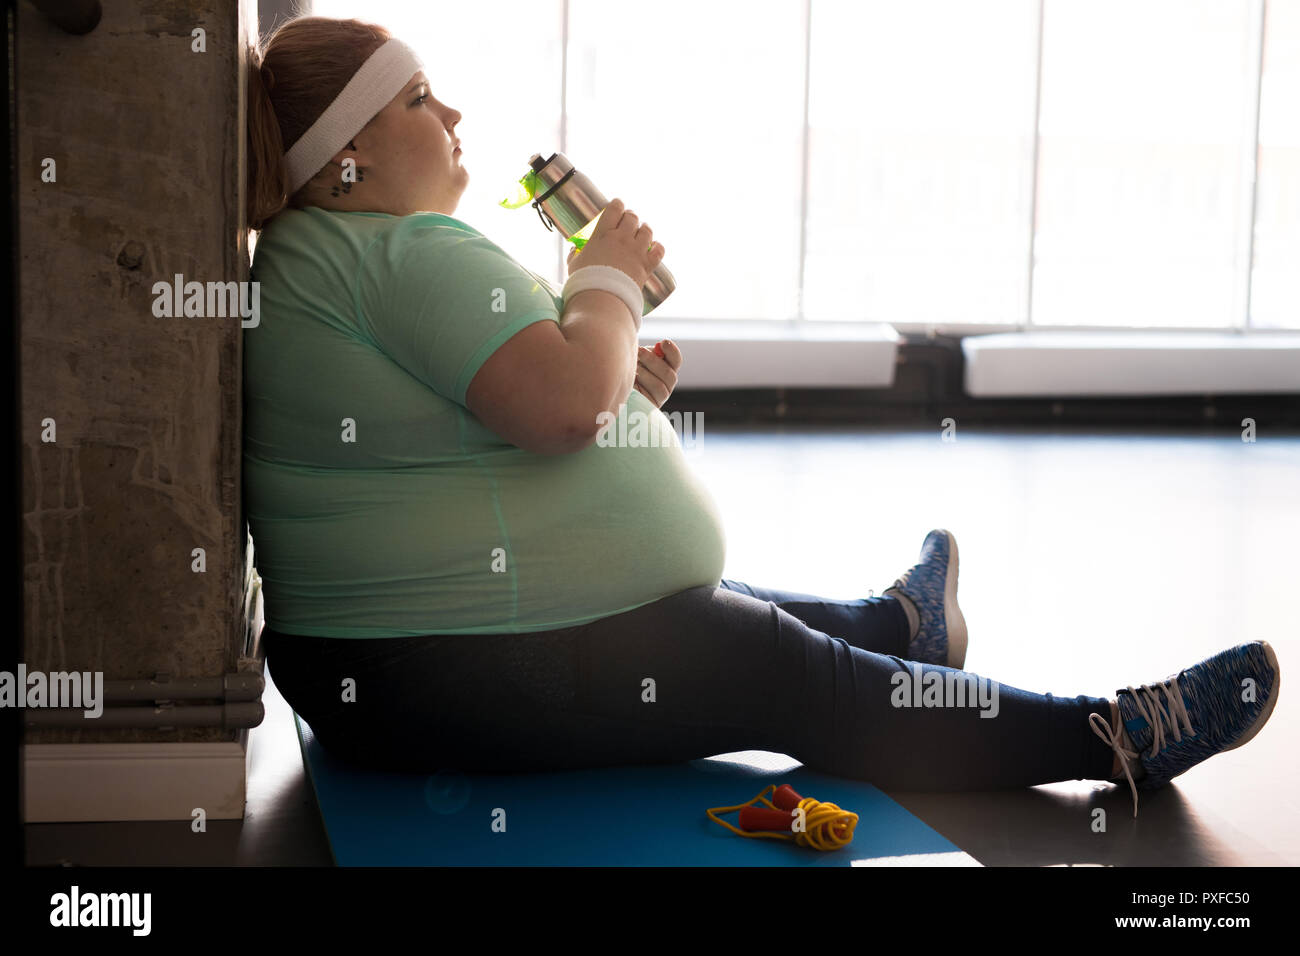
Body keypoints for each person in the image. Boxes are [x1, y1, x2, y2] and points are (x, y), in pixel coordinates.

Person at [243, 16, 1280, 820]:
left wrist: (619, 397)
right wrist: (605, 274)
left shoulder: (318, 260)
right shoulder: (396, 250)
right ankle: (1111, 736)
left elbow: (458, 434)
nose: (454, 118)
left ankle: (898, 624)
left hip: (377, 673)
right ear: (349, 155)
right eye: (421, 98)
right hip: (426, 667)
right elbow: (559, 406)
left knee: (729, 609)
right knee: (786, 677)